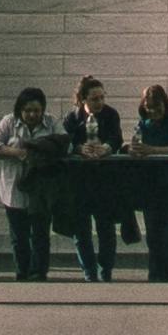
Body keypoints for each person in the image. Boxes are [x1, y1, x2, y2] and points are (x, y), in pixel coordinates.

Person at [0, 82, 65, 281]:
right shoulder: (8, 122)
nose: (33, 115)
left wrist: (40, 150)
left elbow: (65, 142)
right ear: (20, 110)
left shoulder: (51, 122)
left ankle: (39, 274)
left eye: (37, 111)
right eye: (28, 111)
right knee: (19, 237)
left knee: (40, 235)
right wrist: (19, 153)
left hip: (41, 190)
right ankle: (22, 273)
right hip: (14, 189)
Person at [128, 79, 168, 281]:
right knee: (153, 235)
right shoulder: (143, 124)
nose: (153, 113)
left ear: (165, 104)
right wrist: (133, 150)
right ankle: (155, 275)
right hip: (150, 186)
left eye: (157, 108)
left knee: (167, 233)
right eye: (149, 109)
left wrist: (152, 151)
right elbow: (135, 146)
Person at [62, 75, 124, 279]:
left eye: (101, 97)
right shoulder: (72, 118)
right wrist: (79, 149)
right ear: (83, 99)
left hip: (104, 179)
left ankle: (106, 269)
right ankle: (89, 270)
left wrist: (106, 148)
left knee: (106, 228)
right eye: (94, 99)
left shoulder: (110, 114)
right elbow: (64, 141)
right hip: (80, 181)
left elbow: (116, 137)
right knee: (81, 231)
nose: (99, 103)